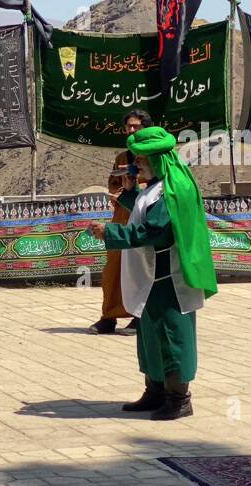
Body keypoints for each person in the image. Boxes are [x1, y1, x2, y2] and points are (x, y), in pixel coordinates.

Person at [89, 126, 218, 420]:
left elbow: (155, 229)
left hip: (169, 279)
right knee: (150, 335)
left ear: (157, 160)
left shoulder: (176, 188)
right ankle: (156, 391)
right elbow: (145, 210)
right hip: (152, 278)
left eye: (141, 161)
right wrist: (130, 192)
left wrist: (110, 232)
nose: (137, 166)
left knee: (171, 336)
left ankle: (178, 398)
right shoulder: (158, 185)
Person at [90, 109, 152, 335]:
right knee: (113, 269)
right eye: (129, 127)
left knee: (142, 268)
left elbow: (162, 182)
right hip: (122, 216)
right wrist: (118, 193)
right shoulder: (122, 158)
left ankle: (140, 315)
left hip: (146, 217)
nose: (132, 130)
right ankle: (109, 317)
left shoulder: (159, 155)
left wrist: (141, 188)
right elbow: (114, 183)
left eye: (137, 126)